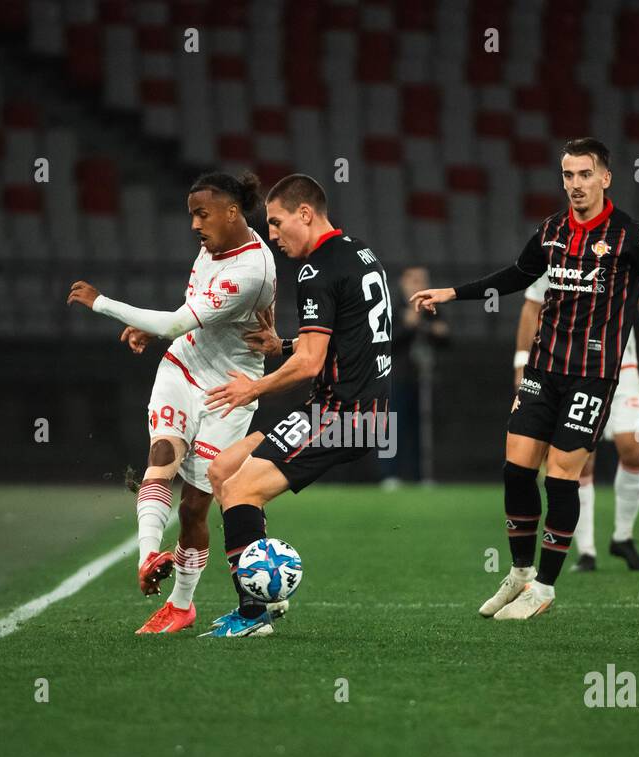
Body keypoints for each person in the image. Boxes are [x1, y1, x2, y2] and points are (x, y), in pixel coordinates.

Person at [410, 137, 639, 620]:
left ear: (605, 178)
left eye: (584, 174)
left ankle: (545, 587)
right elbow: (513, 275)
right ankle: (521, 572)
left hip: (592, 377)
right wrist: (453, 292)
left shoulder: (632, 236)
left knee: (562, 476)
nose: (575, 184)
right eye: (568, 175)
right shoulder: (551, 232)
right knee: (516, 469)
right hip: (543, 370)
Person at [67, 171, 275, 634]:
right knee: (161, 456)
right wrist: (155, 326)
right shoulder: (213, 246)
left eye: (202, 214)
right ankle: (147, 557)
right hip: (182, 367)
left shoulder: (251, 268)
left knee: (195, 507)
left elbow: (181, 321)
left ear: (232, 212)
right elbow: (189, 314)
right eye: (191, 215)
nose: (195, 225)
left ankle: (183, 604)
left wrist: (105, 304)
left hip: (231, 390)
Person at [202, 173, 392, 637]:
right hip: (357, 410)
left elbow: (311, 363)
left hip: (343, 415)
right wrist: (283, 343)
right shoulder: (360, 253)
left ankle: (253, 615)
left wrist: (253, 387)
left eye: (276, 222)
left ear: (305, 214)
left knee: (243, 490)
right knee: (224, 471)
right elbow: (345, 340)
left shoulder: (317, 268)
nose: (271, 235)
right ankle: (266, 594)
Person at [517, 274, 639, 571]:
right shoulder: (557, 247)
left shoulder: (628, 244)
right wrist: (521, 361)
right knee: (579, 460)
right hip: (571, 369)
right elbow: (532, 306)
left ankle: (623, 536)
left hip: (622, 367)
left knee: (633, 447)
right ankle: (586, 551)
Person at [380, 266, 449, 486]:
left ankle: (422, 476)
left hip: (424, 378)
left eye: (422, 280)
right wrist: (407, 327)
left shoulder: (432, 307)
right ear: (403, 282)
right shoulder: (391, 308)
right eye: (414, 280)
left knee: (422, 428)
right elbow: (383, 342)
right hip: (396, 377)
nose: (418, 285)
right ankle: (389, 475)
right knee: (393, 426)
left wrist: (434, 331)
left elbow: (446, 338)